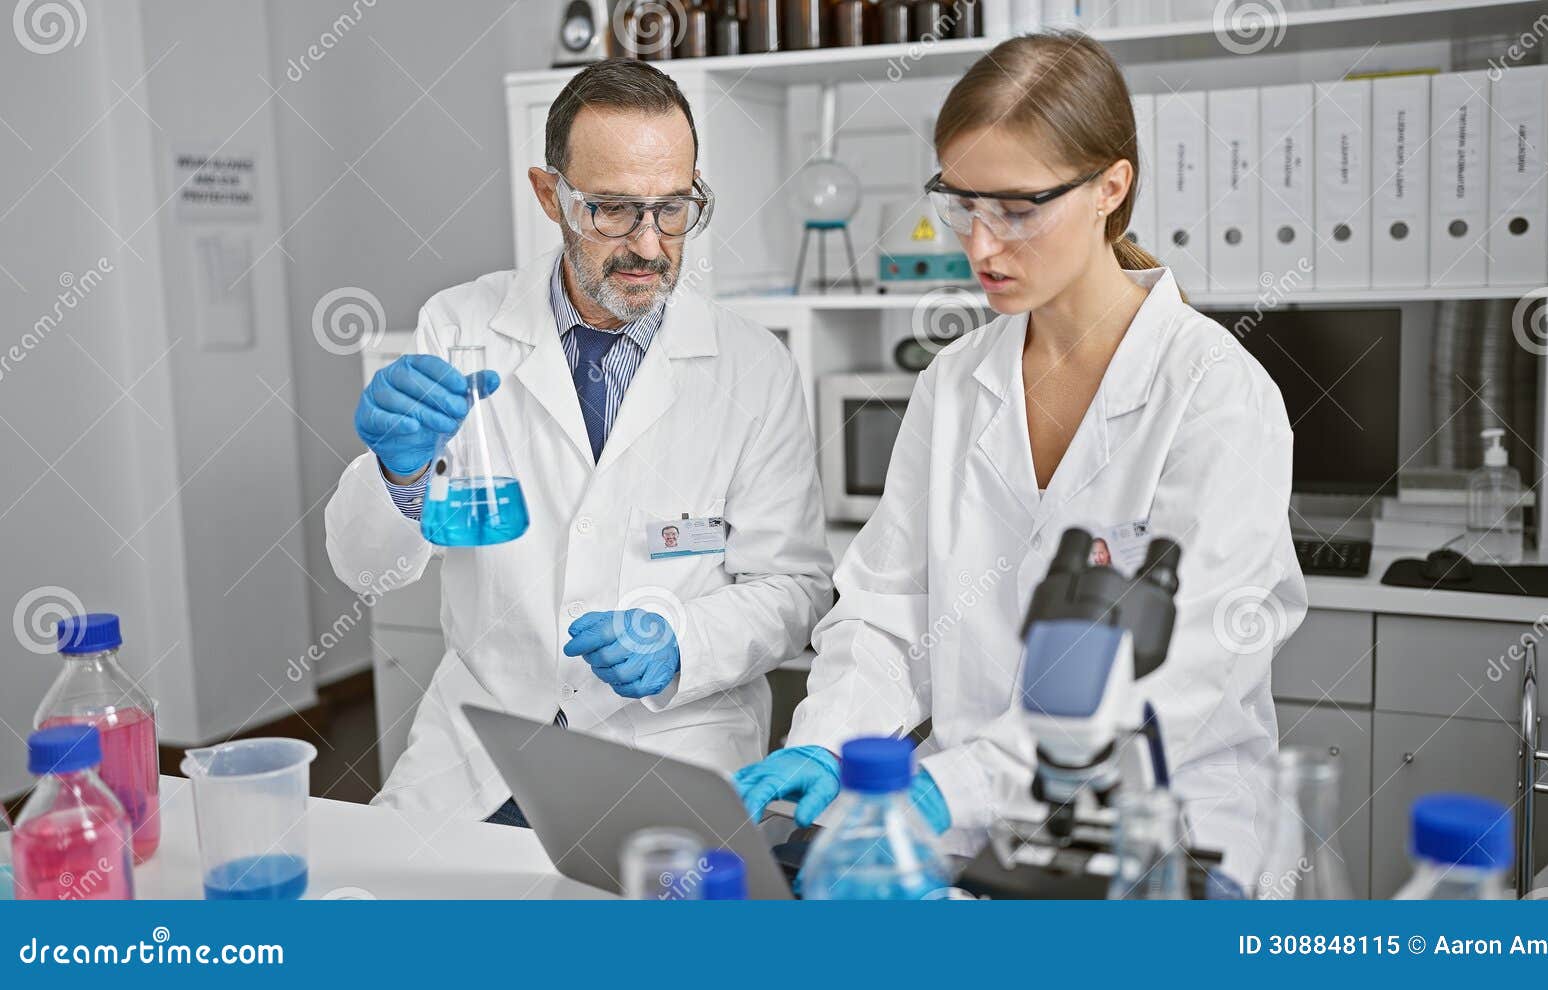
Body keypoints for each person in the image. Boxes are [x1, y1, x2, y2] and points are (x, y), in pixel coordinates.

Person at [735, 32, 1306, 882]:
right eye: (962, 203)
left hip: (1164, 836)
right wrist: (829, 743)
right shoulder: (955, 383)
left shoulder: (1218, 393)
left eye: (1018, 208)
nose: (980, 246)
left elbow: (1177, 678)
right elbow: (890, 609)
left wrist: (951, 787)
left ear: (1112, 187)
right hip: (975, 837)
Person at [327, 58, 832, 825]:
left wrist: (682, 640)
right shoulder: (460, 328)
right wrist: (397, 471)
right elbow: (369, 570)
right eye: (612, 211)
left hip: (674, 742)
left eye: (673, 209)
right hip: (485, 746)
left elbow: (795, 589)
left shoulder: (754, 367)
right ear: (550, 195)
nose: (650, 245)